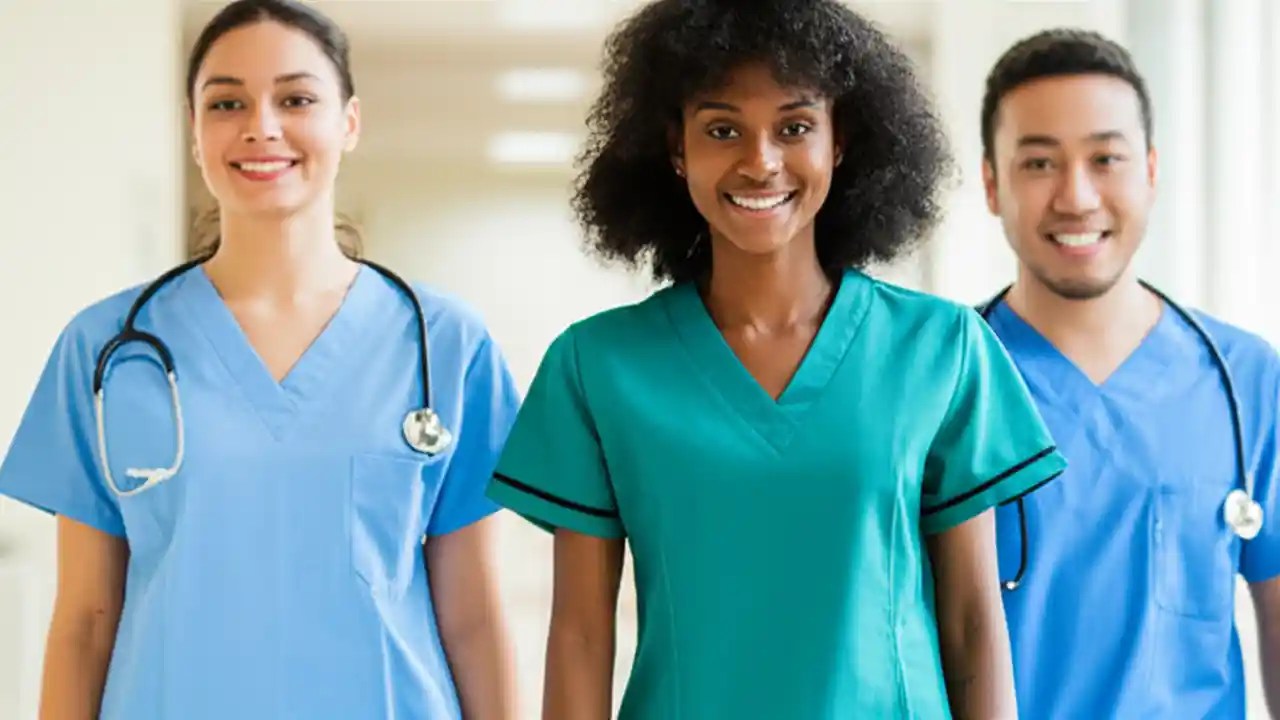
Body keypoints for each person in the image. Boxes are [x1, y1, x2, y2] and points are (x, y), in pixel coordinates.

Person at [484, 1, 1067, 717]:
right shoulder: (598, 367)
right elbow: (579, 635)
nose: (760, 162)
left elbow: (975, 623)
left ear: (839, 141)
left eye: (794, 128)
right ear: (676, 149)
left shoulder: (941, 349)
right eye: (722, 129)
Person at [0, 1, 519, 718]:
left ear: (349, 122)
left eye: (297, 99)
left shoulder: (446, 345)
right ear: (193, 131)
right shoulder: (106, 349)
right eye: (227, 103)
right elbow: (85, 624)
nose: (261, 126)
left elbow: (474, 620)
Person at [977, 28, 1280, 719]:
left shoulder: (1245, 380)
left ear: (1150, 170)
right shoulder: (945, 380)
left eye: (1105, 159)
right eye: (1039, 163)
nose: (1077, 196)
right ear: (992, 184)